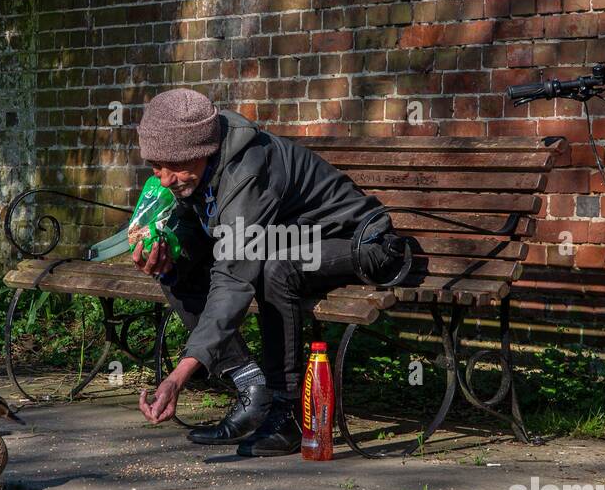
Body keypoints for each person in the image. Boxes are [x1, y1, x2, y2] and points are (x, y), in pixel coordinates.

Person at [133, 88, 406, 456]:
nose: (164, 179)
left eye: (174, 165)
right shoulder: (202, 166)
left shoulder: (248, 170)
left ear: (201, 151)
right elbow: (195, 227)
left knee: (277, 269)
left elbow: (233, 276)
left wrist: (178, 376)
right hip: (294, 241)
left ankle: (288, 415)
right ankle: (253, 390)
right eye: (156, 166)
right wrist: (171, 253)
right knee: (176, 270)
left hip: (364, 242)